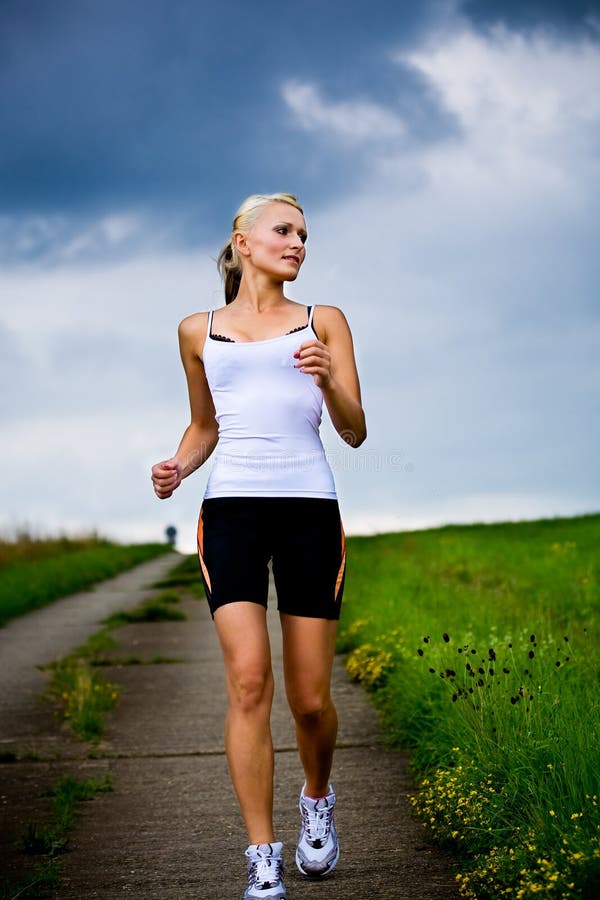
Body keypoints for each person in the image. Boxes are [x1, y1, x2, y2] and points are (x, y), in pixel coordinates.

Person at [151, 193, 366, 900]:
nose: (298, 242)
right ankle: (262, 855)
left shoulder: (323, 320)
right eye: (284, 230)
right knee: (248, 681)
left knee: (308, 701)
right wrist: (179, 465)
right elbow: (204, 426)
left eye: (305, 233)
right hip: (233, 510)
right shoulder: (196, 330)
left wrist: (328, 375)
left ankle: (316, 799)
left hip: (309, 509)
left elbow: (355, 429)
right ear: (243, 242)